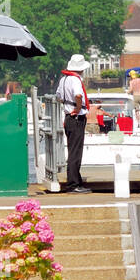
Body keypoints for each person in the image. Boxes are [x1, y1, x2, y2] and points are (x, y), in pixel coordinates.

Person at [56, 54, 91, 192]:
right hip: (76, 118)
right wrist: (77, 108)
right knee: (76, 152)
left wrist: (68, 106)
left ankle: (76, 180)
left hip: (68, 117)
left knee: (72, 150)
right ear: (81, 69)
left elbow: (58, 96)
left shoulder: (63, 79)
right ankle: (73, 184)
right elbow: (78, 95)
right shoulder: (76, 80)